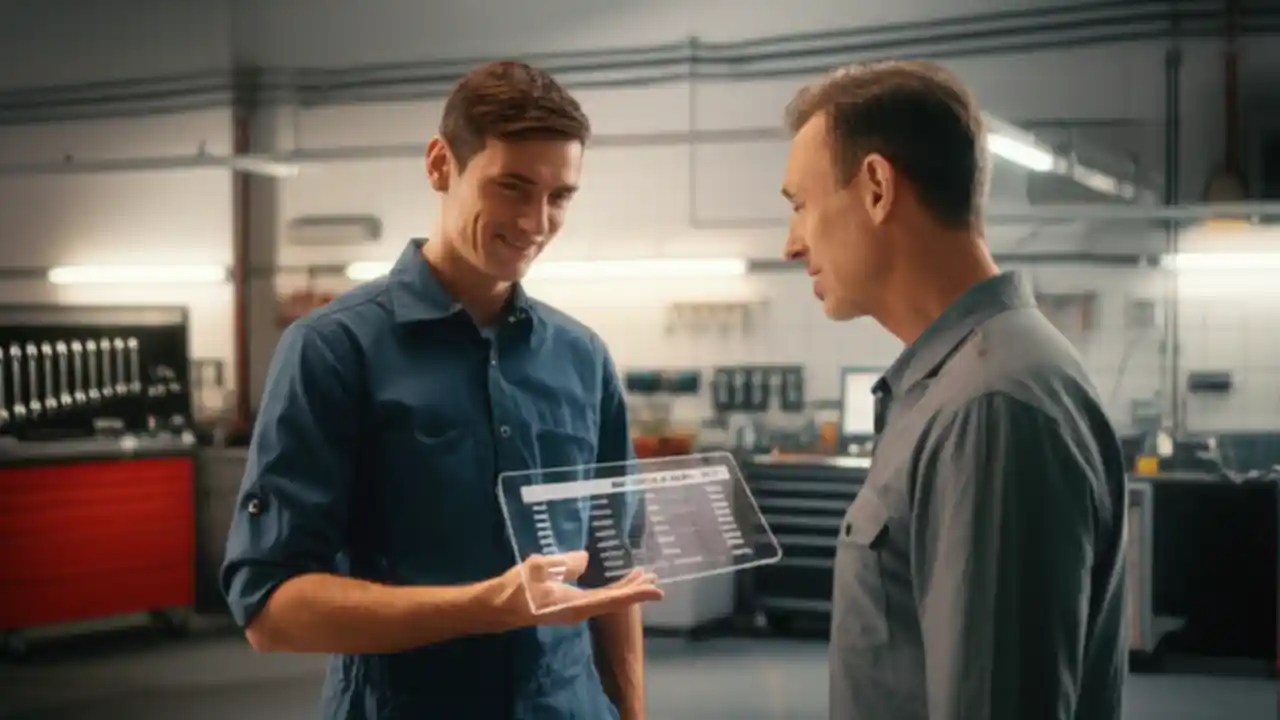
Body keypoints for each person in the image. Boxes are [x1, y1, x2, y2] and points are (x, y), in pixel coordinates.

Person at [220, 60, 664, 719]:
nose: (537, 221)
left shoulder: (583, 358)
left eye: (560, 195)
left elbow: (613, 572)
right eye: (512, 187)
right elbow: (271, 609)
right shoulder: (333, 351)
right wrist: (487, 606)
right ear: (439, 165)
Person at [779, 60, 1127, 719]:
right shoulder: (961, 383)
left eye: (800, 205)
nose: (792, 243)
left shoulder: (988, 407)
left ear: (877, 187)